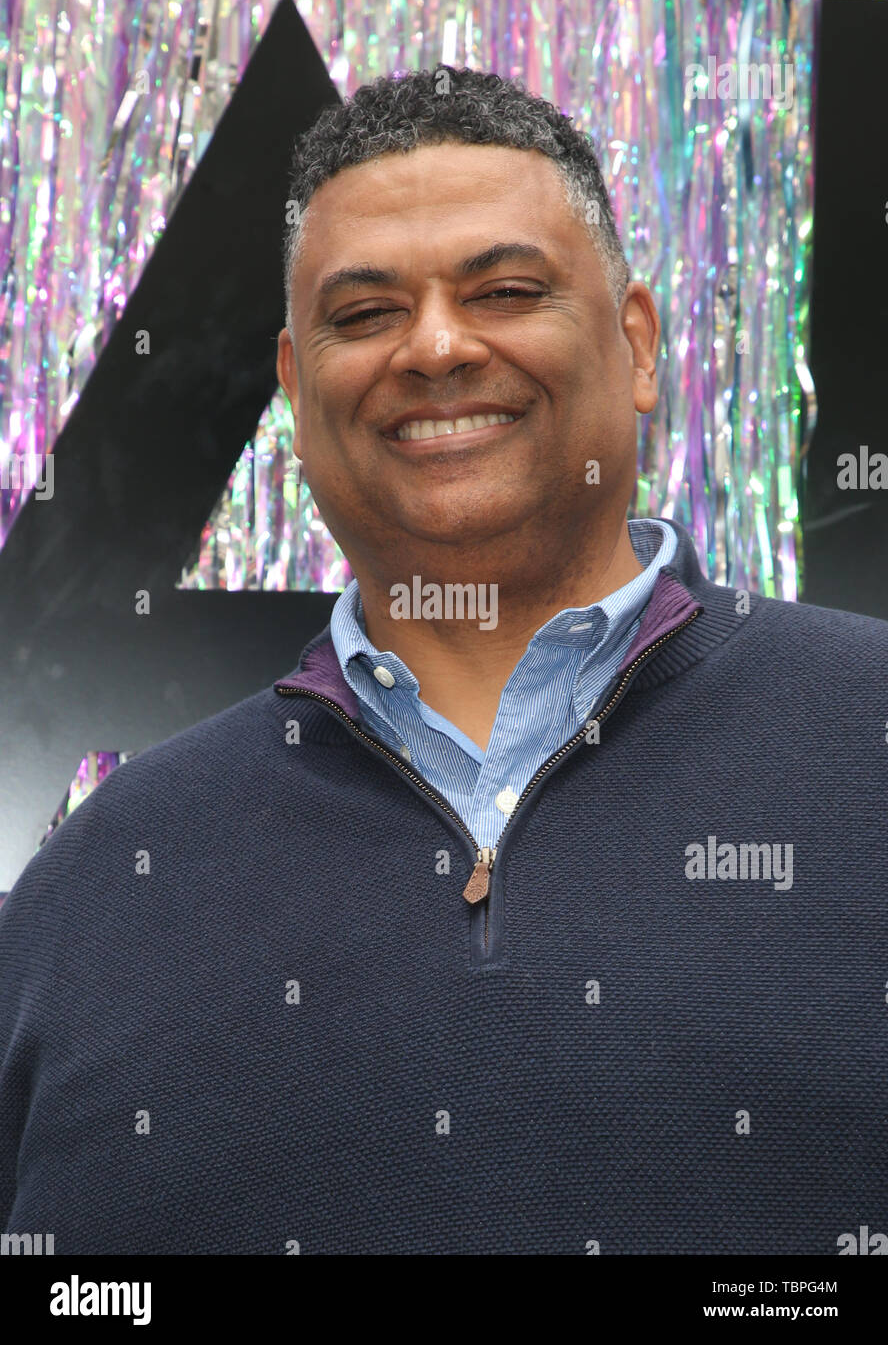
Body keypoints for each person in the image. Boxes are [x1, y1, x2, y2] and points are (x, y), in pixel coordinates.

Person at [1, 66, 886, 1255]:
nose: (433, 346)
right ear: (296, 389)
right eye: (364, 315)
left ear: (635, 343)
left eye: (506, 289)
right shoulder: (93, 890)